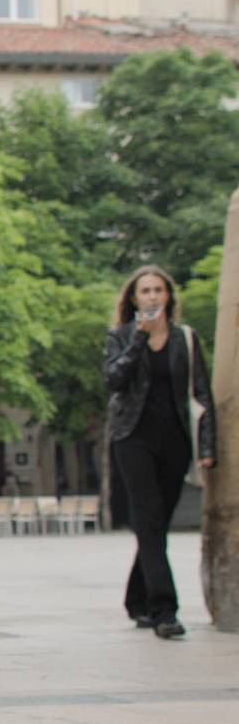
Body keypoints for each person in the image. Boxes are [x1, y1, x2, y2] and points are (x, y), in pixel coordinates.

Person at [104, 265, 215, 640]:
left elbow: (202, 392)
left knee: (156, 526)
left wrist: (206, 446)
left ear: (168, 296)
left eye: (158, 290)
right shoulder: (120, 336)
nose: (152, 296)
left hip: (176, 442)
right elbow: (114, 380)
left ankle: (137, 598)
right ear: (133, 299)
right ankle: (164, 610)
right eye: (144, 291)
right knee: (149, 523)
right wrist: (138, 338)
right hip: (132, 439)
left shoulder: (186, 338)